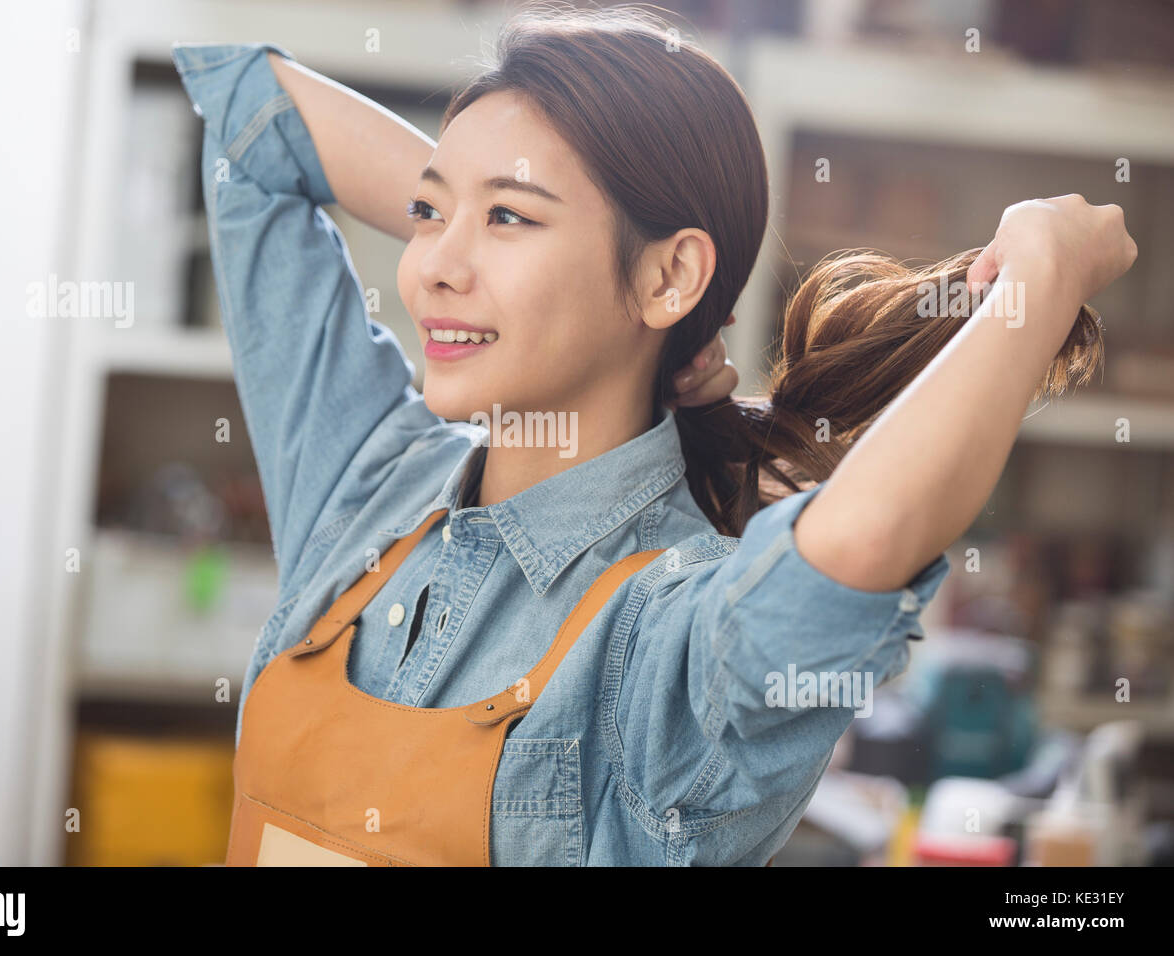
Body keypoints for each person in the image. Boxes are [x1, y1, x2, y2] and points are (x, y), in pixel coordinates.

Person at [170, 3, 1135, 866]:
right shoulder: (368, 482)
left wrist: (1038, 283)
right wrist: (509, 226)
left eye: (510, 216)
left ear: (671, 273)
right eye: (426, 213)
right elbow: (247, 118)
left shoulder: (670, 640)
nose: (426, 270)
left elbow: (867, 539)